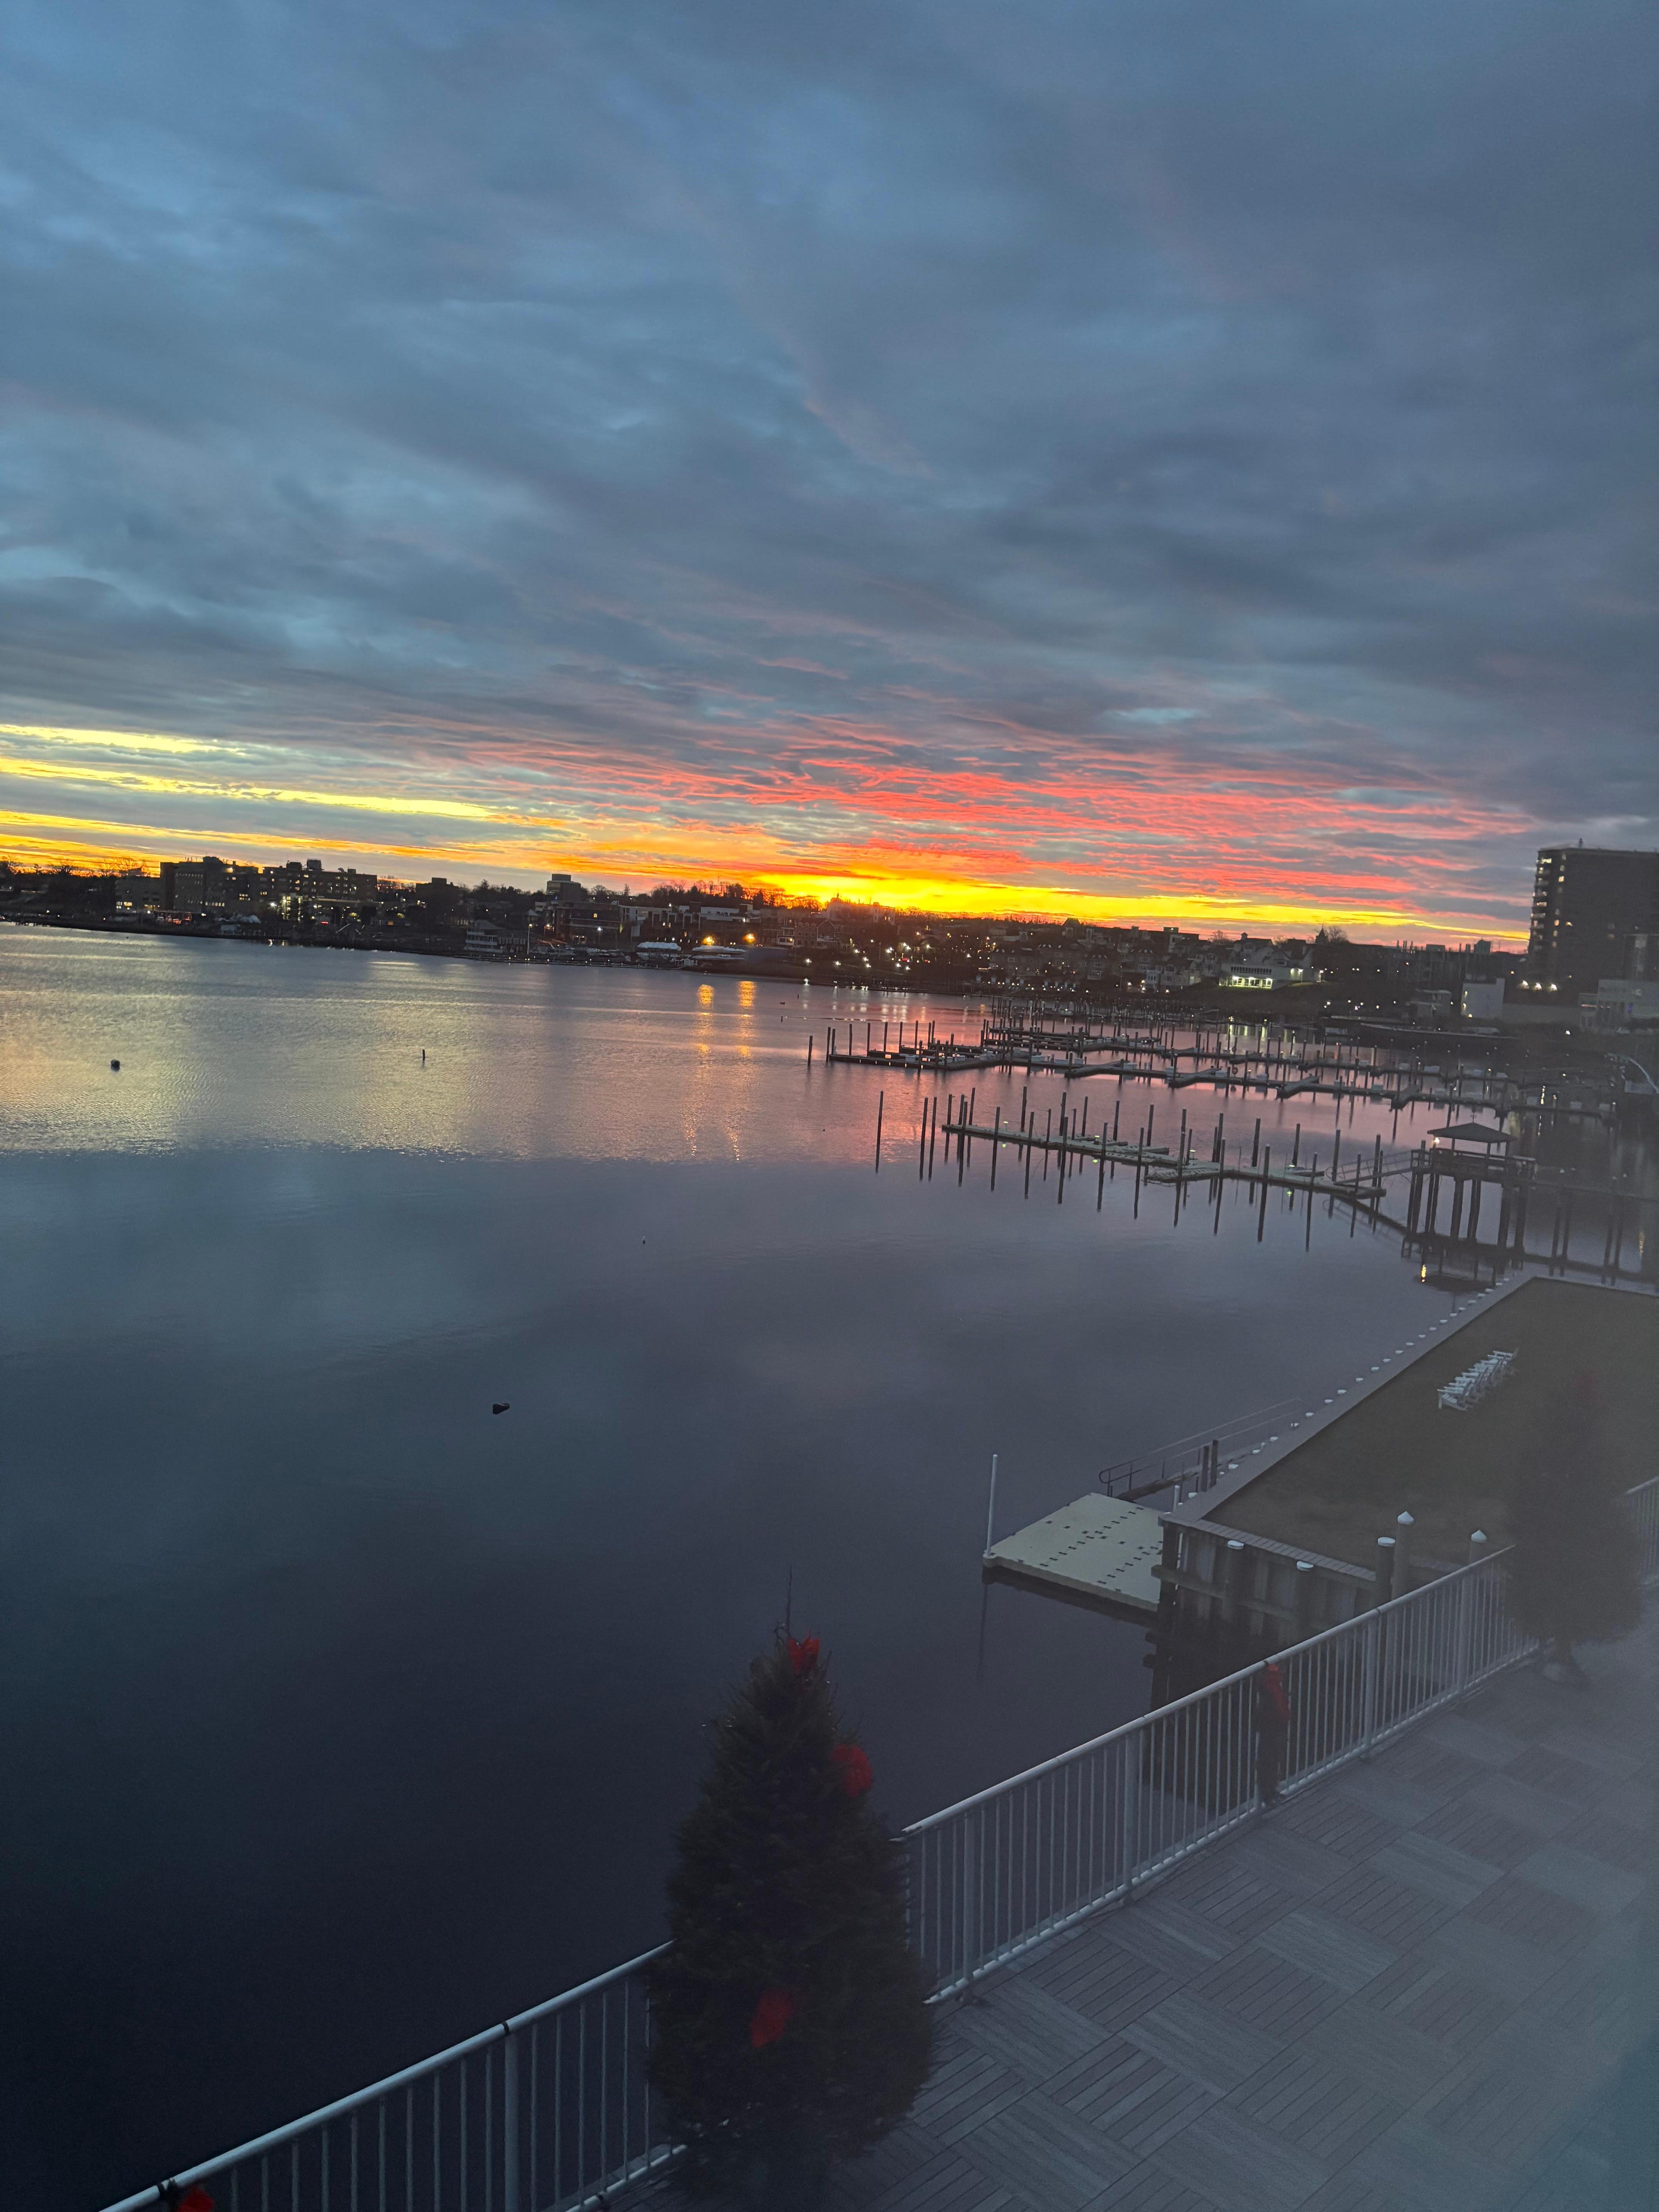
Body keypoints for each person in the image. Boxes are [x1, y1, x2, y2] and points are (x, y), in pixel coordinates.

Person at [1255, 1660, 1290, 1808]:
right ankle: (1268, 1794)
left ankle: (1269, 1792)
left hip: (1273, 1725)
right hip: (1272, 1726)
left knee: (1271, 1758)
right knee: (1270, 1759)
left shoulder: (1272, 1686)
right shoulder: (1271, 1686)